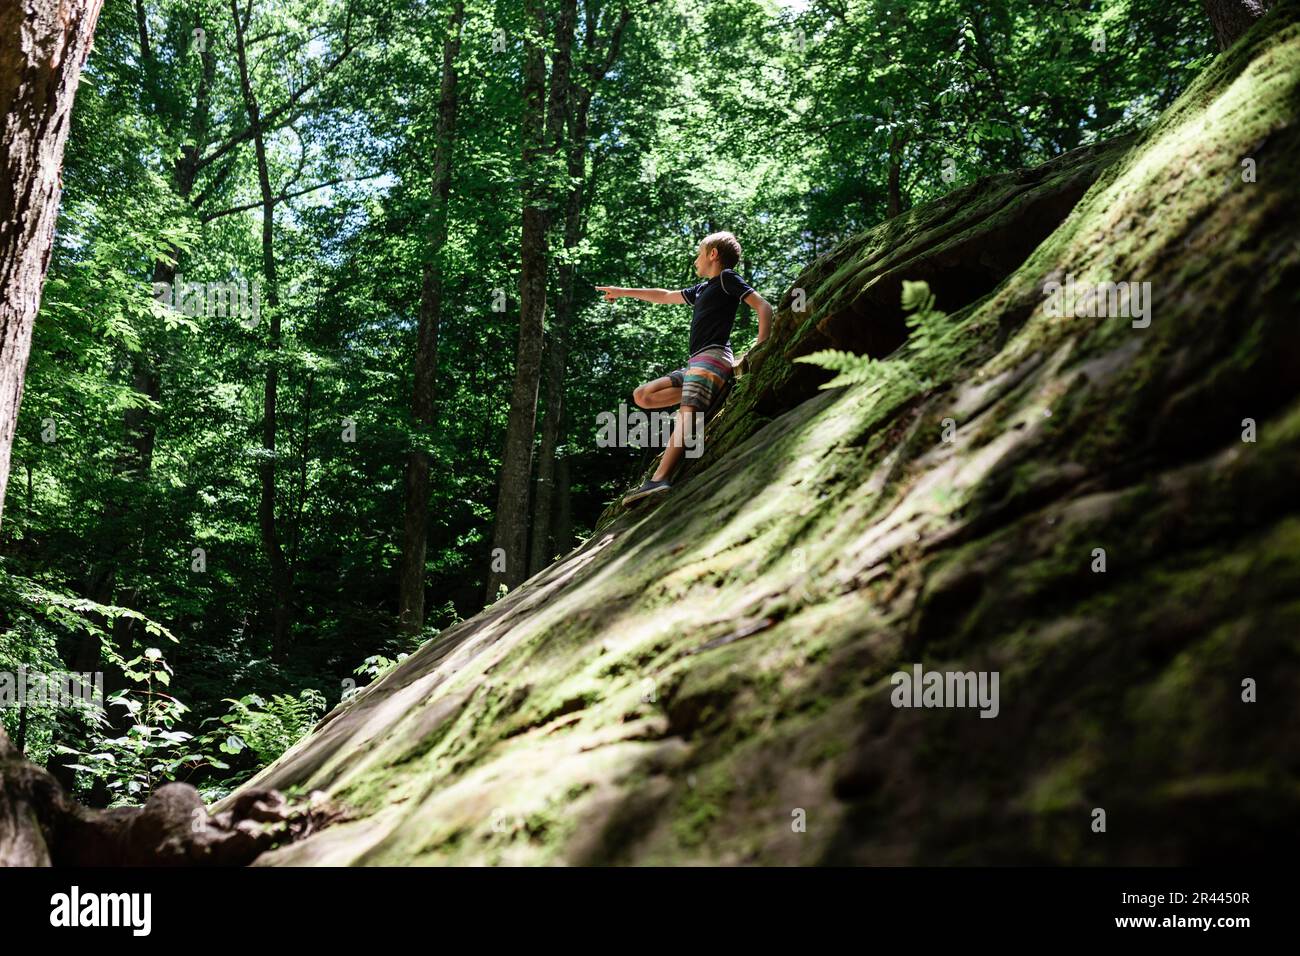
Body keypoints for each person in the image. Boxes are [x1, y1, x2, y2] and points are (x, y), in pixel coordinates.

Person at [596, 230, 773, 505]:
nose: (695, 261)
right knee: (643, 395)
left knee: (686, 413)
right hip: (695, 364)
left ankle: (659, 479)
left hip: (713, 358)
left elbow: (763, 307)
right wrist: (622, 292)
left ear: (713, 254)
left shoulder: (726, 278)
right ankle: (706, 393)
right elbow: (665, 296)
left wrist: (762, 349)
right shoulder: (703, 288)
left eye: (699, 253)